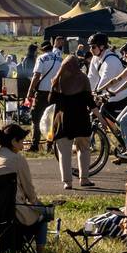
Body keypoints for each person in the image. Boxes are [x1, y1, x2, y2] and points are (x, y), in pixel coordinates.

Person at [0, 123, 49, 253]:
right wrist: (38, 204)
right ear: (14, 141)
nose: (23, 145)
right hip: (13, 213)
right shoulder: (17, 159)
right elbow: (29, 190)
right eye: (22, 141)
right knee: (44, 214)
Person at [49, 55, 96, 190]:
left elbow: (50, 101)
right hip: (81, 119)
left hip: (63, 120)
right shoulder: (83, 78)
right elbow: (90, 102)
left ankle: (67, 182)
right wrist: (103, 120)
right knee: (84, 149)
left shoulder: (58, 80)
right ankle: (84, 179)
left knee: (64, 152)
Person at [25, 40, 63, 152]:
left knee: (36, 118)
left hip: (42, 93)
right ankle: (49, 145)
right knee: (52, 119)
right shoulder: (60, 59)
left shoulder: (41, 58)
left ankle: (35, 144)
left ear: (43, 49)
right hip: (55, 93)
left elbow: (36, 75)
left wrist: (29, 91)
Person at [87, 34, 127, 120]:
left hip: (124, 94)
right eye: (90, 47)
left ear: (102, 46)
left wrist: (95, 94)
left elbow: (105, 81)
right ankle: (116, 131)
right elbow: (91, 78)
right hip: (112, 94)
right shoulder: (95, 58)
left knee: (107, 114)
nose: (90, 50)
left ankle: (121, 132)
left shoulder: (111, 60)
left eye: (93, 47)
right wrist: (87, 92)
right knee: (103, 113)